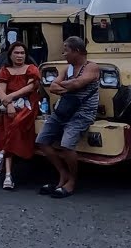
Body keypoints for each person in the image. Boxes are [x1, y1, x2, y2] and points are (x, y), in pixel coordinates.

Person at [35, 36, 99, 198]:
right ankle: (62, 173)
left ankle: (72, 180)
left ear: (77, 51)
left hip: (82, 113)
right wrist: (68, 86)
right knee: (42, 141)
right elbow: (53, 87)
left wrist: (65, 86)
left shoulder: (91, 67)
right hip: (63, 110)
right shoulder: (67, 68)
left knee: (67, 145)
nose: (64, 54)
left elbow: (76, 84)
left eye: (66, 50)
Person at [0, 41, 41, 190]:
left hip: (28, 105)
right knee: (9, 127)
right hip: (11, 105)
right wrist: (9, 104)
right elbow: (0, 90)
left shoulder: (31, 69)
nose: (19, 56)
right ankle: (7, 175)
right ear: (10, 55)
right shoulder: (5, 70)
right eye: (16, 53)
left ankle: (3, 152)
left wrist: (10, 97)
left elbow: (30, 87)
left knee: (16, 123)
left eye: (22, 53)